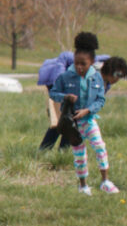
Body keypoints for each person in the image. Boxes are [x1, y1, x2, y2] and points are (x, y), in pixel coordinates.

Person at [47, 34, 118, 195]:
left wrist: (88, 110)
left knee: (100, 146)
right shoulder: (65, 77)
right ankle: (83, 185)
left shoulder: (96, 78)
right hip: (73, 125)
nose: (79, 67)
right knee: (79, 154)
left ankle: (105, 181)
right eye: (76, 63)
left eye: (83, 64)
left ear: (92, 62)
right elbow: (53, 93)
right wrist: (65, 97)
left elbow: (101, 99)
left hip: (89, 120)